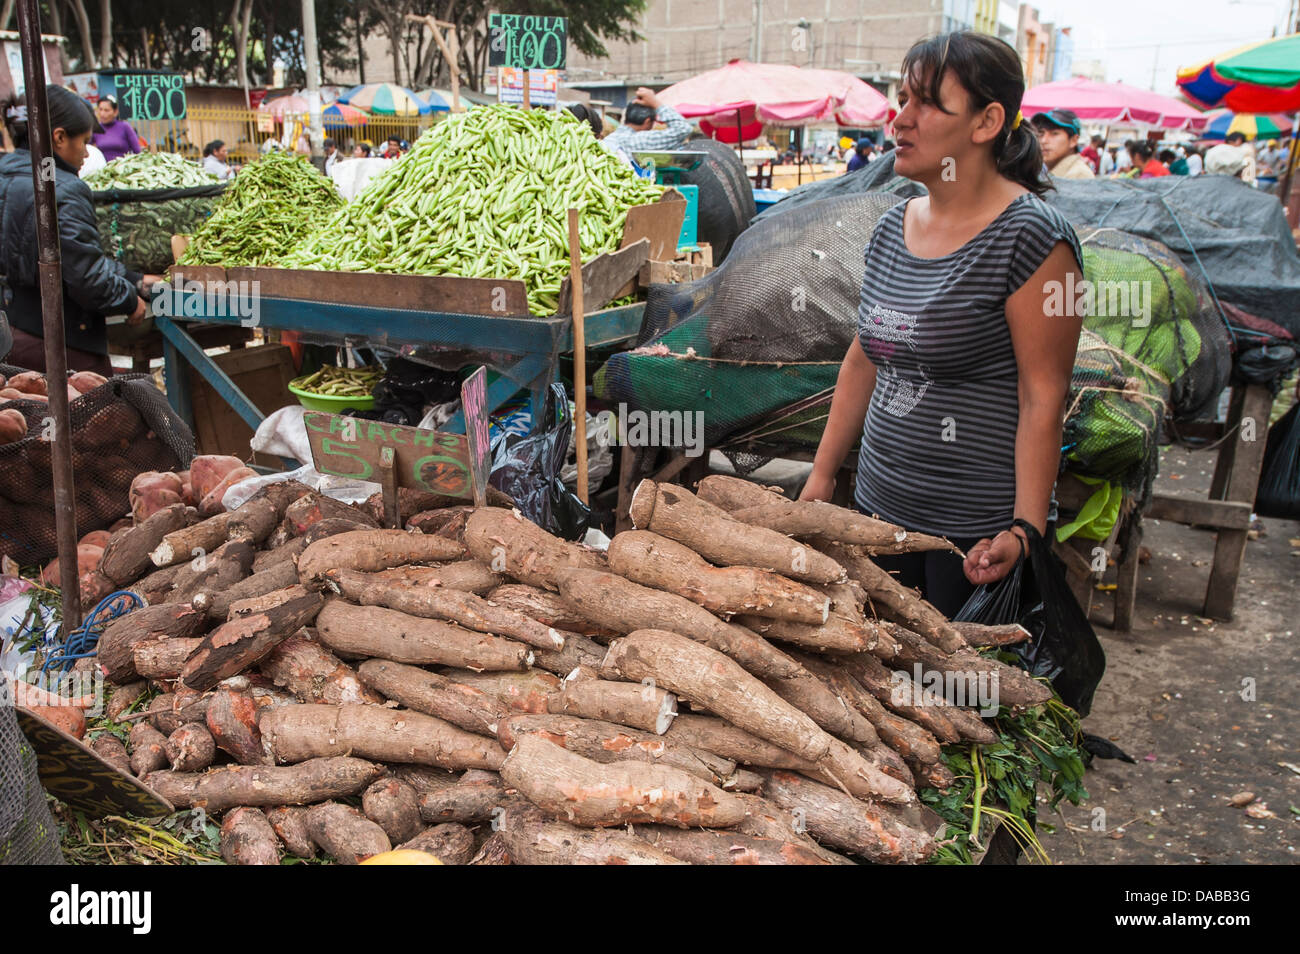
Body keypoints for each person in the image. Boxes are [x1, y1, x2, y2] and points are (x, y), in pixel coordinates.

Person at [799, 31, 1084, 613]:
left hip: (972, 539)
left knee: (954, 695)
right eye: (902, 99)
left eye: (926, 103)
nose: (900, 120)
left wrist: (1024, 530)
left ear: (986, 122)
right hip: (879, 512)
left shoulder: (1034, 240)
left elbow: (1042, 396)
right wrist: (823, 475)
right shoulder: (890, 227)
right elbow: (864, 357)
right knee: (877, 680)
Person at [0, 86, 161, 375]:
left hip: (8, 337)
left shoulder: (5, 173)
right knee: (104, 413)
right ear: (59, 137)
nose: (87, 153)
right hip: (59, 342)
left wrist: (132, 278)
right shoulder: (62, 189)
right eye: (84, 141)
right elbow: (86, 278)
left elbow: (69, 256)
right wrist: (127, 298)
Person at [602, 87, 691, 158]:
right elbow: (683, 128)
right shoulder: (642, 140)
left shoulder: (609, 139)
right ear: (647, 121)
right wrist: (655, 103)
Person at [1032, 108, 1093, 179]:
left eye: (1054, 133)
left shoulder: (1078, 176)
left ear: (1073, 140)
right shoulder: (1050, 172)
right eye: (1041, 134)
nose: (1043, 141)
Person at [91, 95, 141, 162]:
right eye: (100, 109)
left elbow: (138, 151)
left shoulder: (125, 127)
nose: (102, 113)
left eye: (106, 110)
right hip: (103, 169)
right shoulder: (96, 128)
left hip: (122, 168)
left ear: (115, 112)